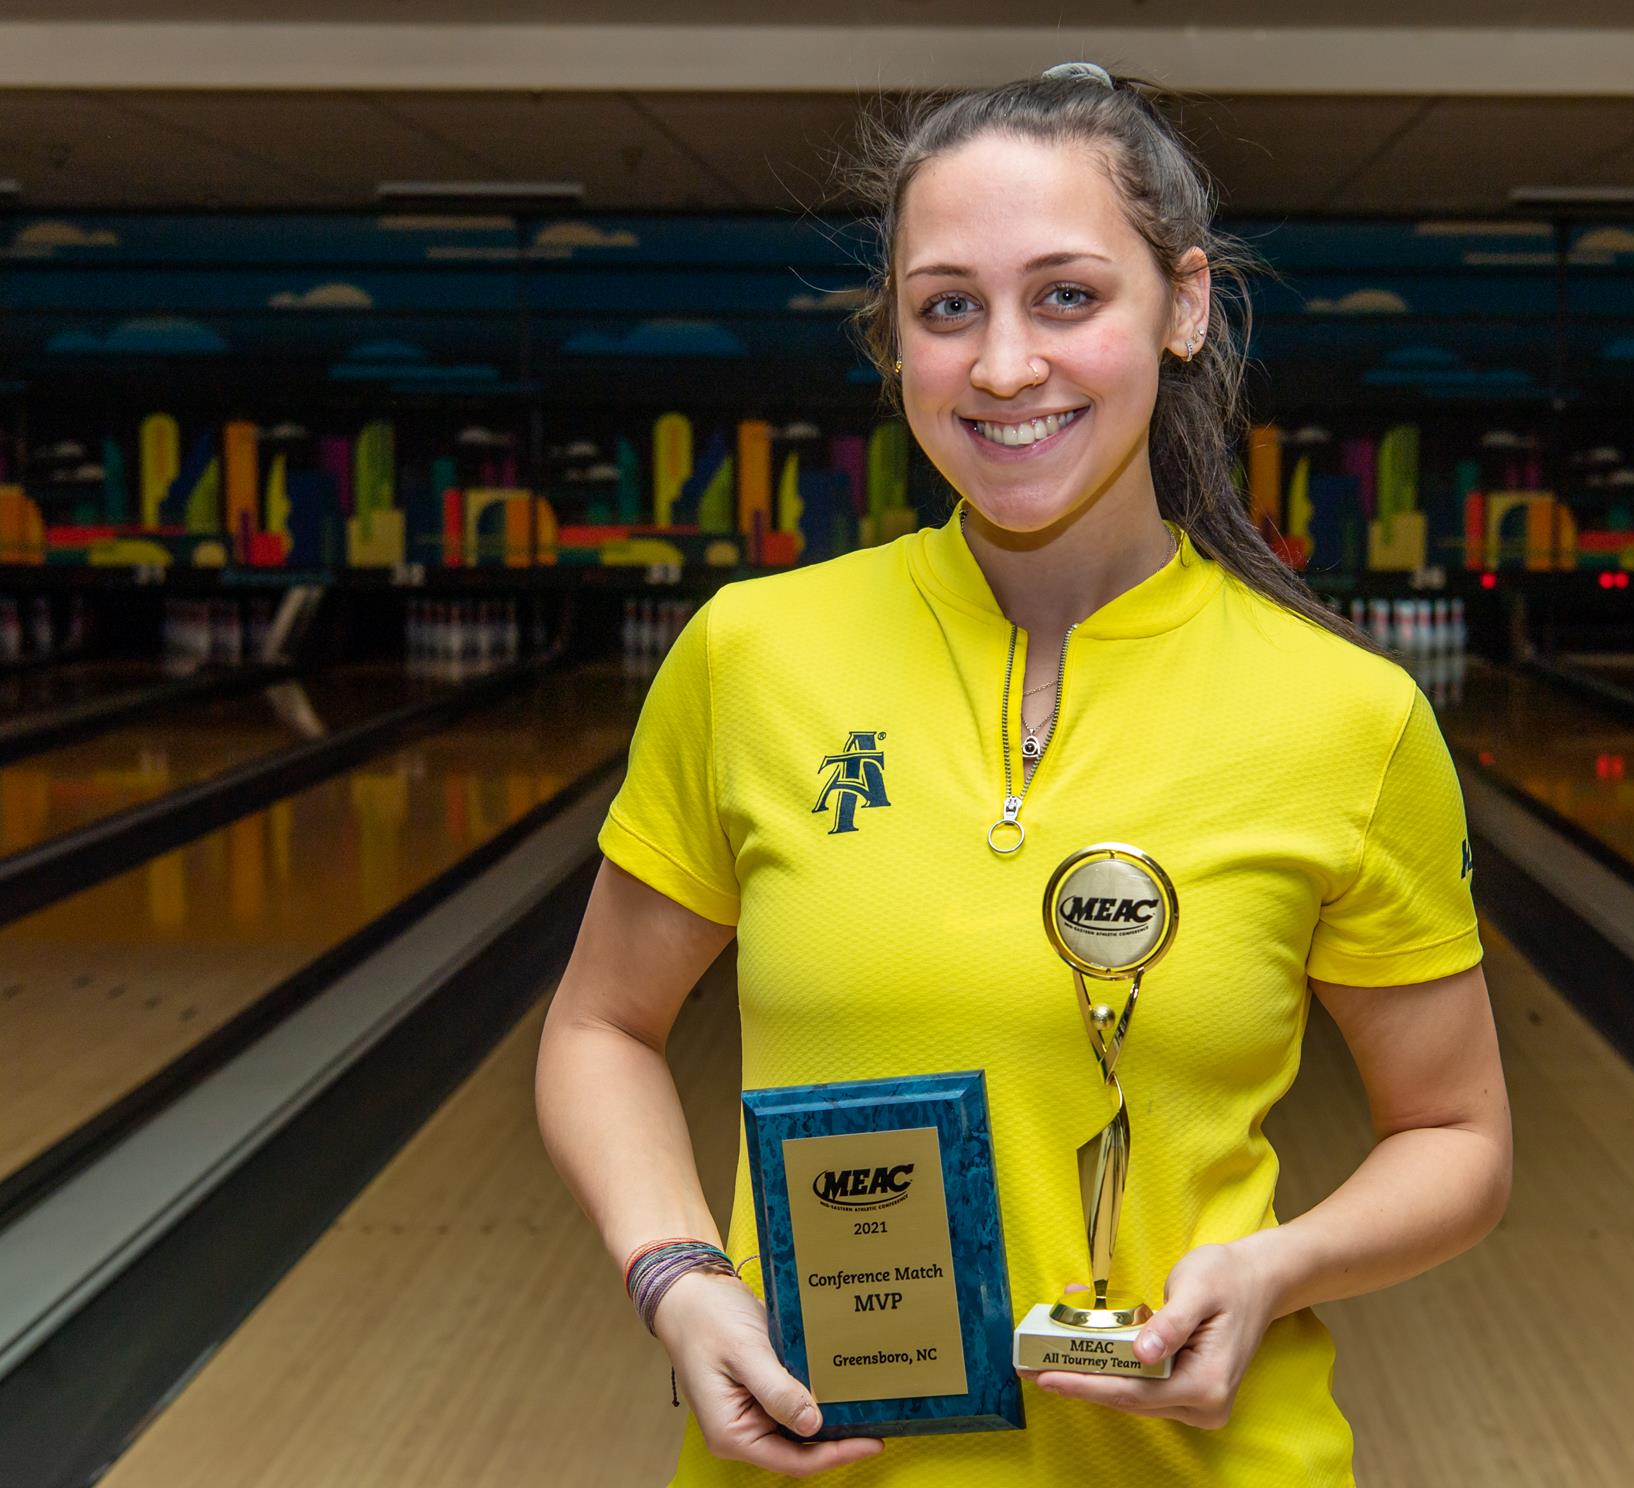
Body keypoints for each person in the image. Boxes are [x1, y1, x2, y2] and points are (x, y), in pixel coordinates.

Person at [536, 62, 1511, 1486]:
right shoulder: (749, 656)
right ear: (896, 340)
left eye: (1066, 296)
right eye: (948, 308)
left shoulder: (1345, 719)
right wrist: (677, 1277)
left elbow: (1460, 1136)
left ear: (1182, 306)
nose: (1003, 366)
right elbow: (597, 1030)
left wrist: (1277, 1271)